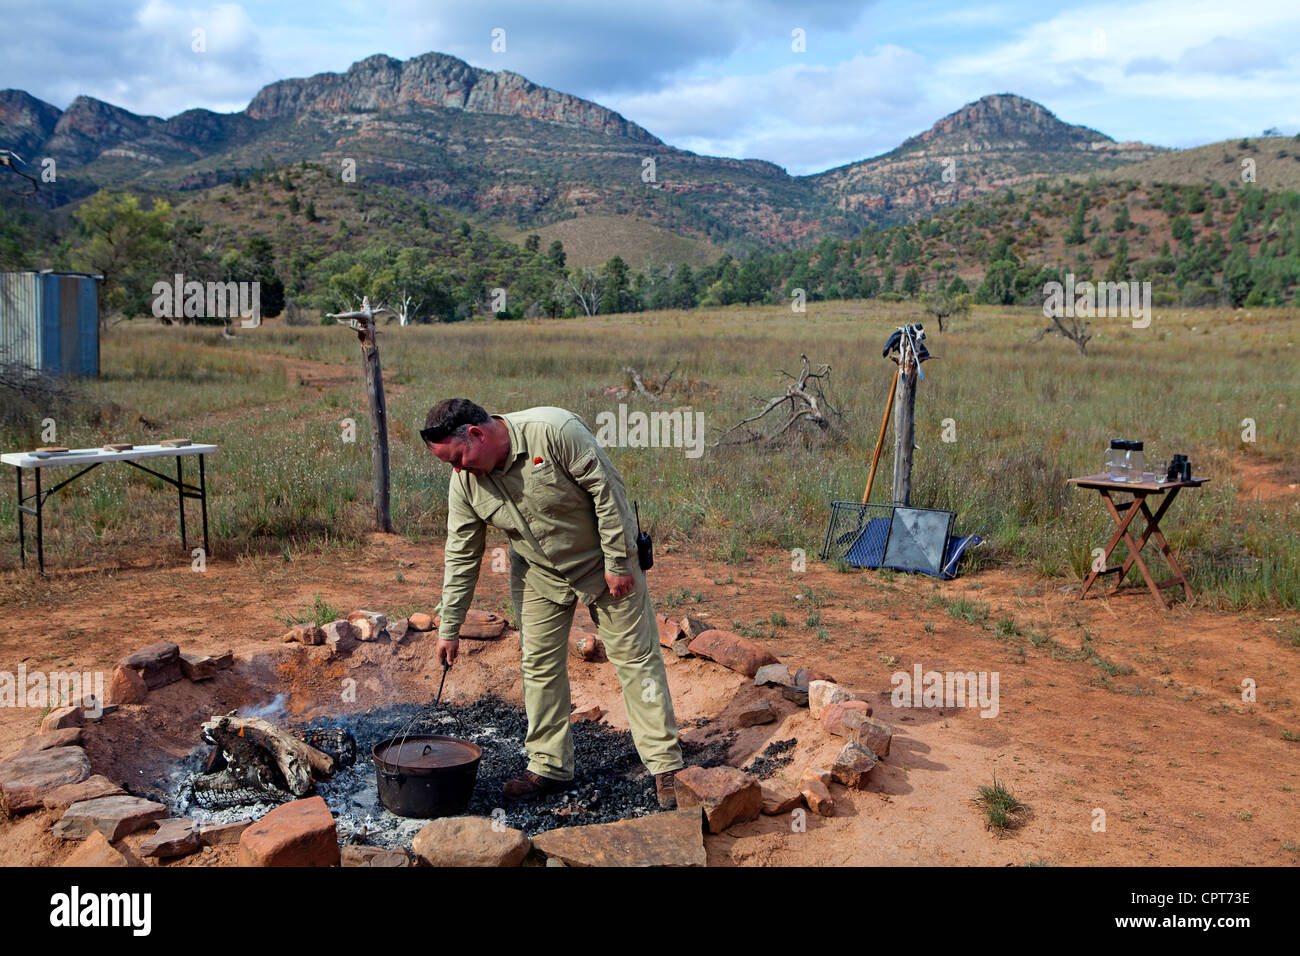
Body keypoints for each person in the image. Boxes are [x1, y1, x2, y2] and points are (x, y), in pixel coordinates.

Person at [422, 399, 684, 808]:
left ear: (477, 433)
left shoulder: (555, 430)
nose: (457, 471)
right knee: (538, 663)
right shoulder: (466, 483)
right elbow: (461, 555)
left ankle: (665, 765)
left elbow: (608, 490)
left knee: (635, 659)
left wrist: (618, 561)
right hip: (538, 574)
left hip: (604, 561)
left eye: (458, 459)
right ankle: (549, 764)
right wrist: (449, 627)